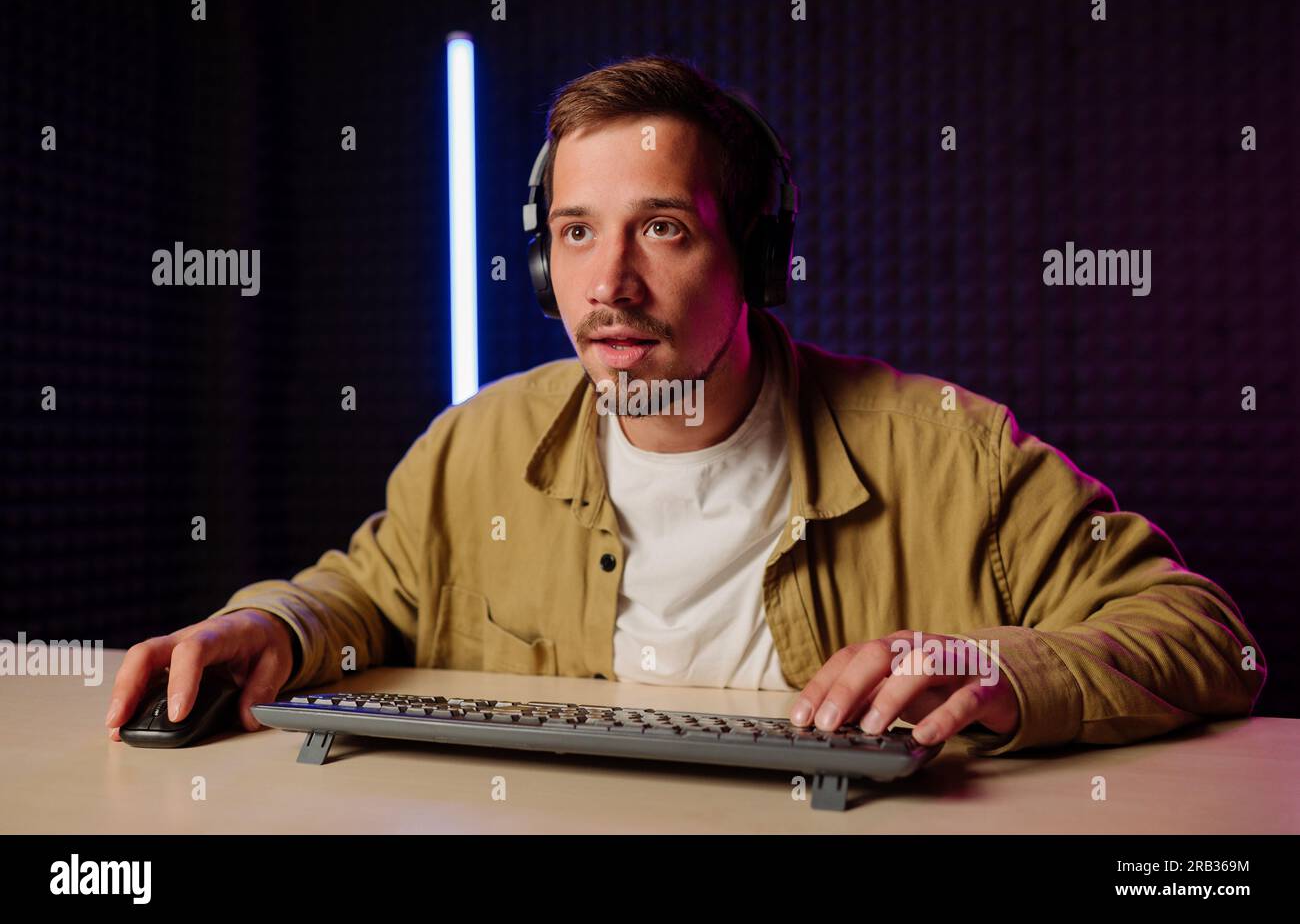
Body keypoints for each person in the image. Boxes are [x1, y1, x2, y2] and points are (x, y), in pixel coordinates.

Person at [106, 54, 1266, 756]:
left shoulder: (953, 455)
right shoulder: (479, 446)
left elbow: (1208, 638)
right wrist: (273, 626)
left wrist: (992, 670)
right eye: (574, 234)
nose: (607, 285)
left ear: (756, 261)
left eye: (661, 228)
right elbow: (366, 594)